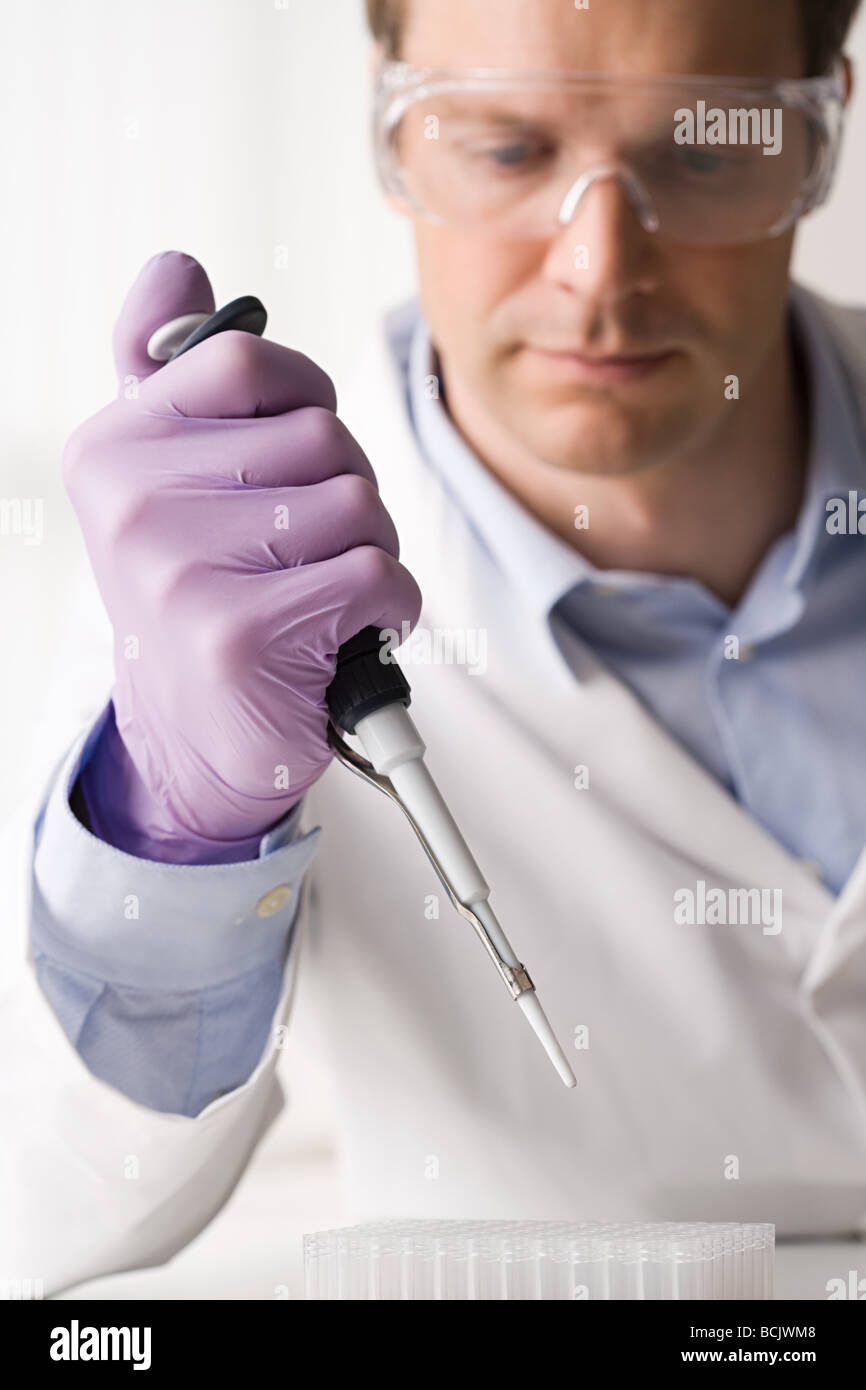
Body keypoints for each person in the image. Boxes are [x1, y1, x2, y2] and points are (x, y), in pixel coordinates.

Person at [3, 0, 866, 1297]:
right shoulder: (229, 594)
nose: (596, 269)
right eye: (507, 149)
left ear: (819, 130)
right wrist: (175, 825)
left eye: (696, 151)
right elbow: (57, 1205)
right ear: (390, 122)